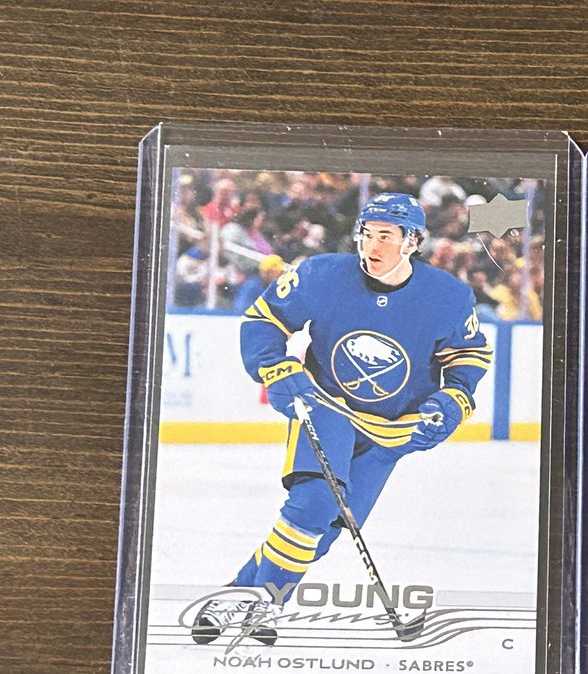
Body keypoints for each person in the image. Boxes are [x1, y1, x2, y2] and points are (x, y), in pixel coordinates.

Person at [198, 192, 492, 643]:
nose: (372, 246)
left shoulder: (449, 297)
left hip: (393, 431)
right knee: (313, 505)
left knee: (321, 535)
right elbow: (264, 319)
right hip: (326, 409)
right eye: (366, 234)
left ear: (412, 241)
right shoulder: (322, 274)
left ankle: (239, 593)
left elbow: (467, 357)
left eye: (385, 237)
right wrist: (276, 368)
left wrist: (451, 403)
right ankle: (267, 604)